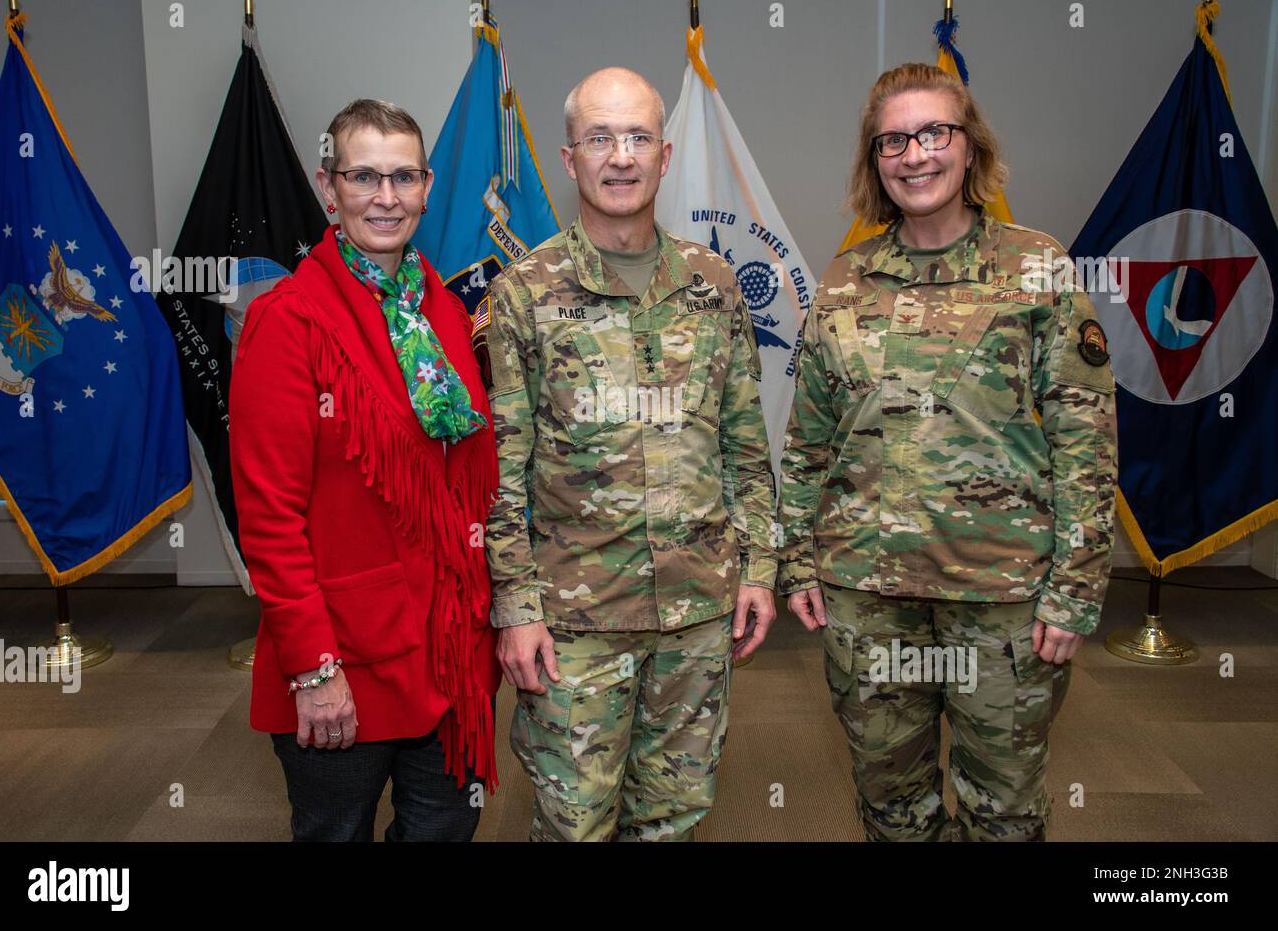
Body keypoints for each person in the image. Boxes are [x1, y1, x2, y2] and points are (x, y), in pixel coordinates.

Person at [777, 63, 1116, 841]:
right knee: (892, 803)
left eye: (934, 133)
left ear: (970, 147)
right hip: (869, 596)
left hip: (1001, 598)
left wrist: (1076, 591)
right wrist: (796, 561)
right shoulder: (845, 280)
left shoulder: (1037, 268)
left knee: (1003, 809)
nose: (914, 154)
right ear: (874, 160)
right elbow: (807, 444)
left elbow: (1085, 441)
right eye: (892, 140)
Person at [477, 67, 778, 841]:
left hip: (697, 614)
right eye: (601, 137)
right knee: (574, 823)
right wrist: (514, 608)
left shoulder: (713, 285)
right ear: (570, 156)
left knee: (673, 820)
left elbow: (745, 444)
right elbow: (503, 473)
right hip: (574, 621)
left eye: (639, 136)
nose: (621, 156)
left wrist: (762, 568)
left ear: (665, 155)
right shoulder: (524, 294)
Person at [229, 99, 499, 841]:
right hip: (346, 655)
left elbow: (471, 475)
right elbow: (269, 520)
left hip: (449, 654)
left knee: (445, 831)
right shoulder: (287, 319)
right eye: (365, 176)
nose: (386, 197)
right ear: (329, 187)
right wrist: (315, 671)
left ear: (426, 185)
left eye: (403, 177)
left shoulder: (442, 310)